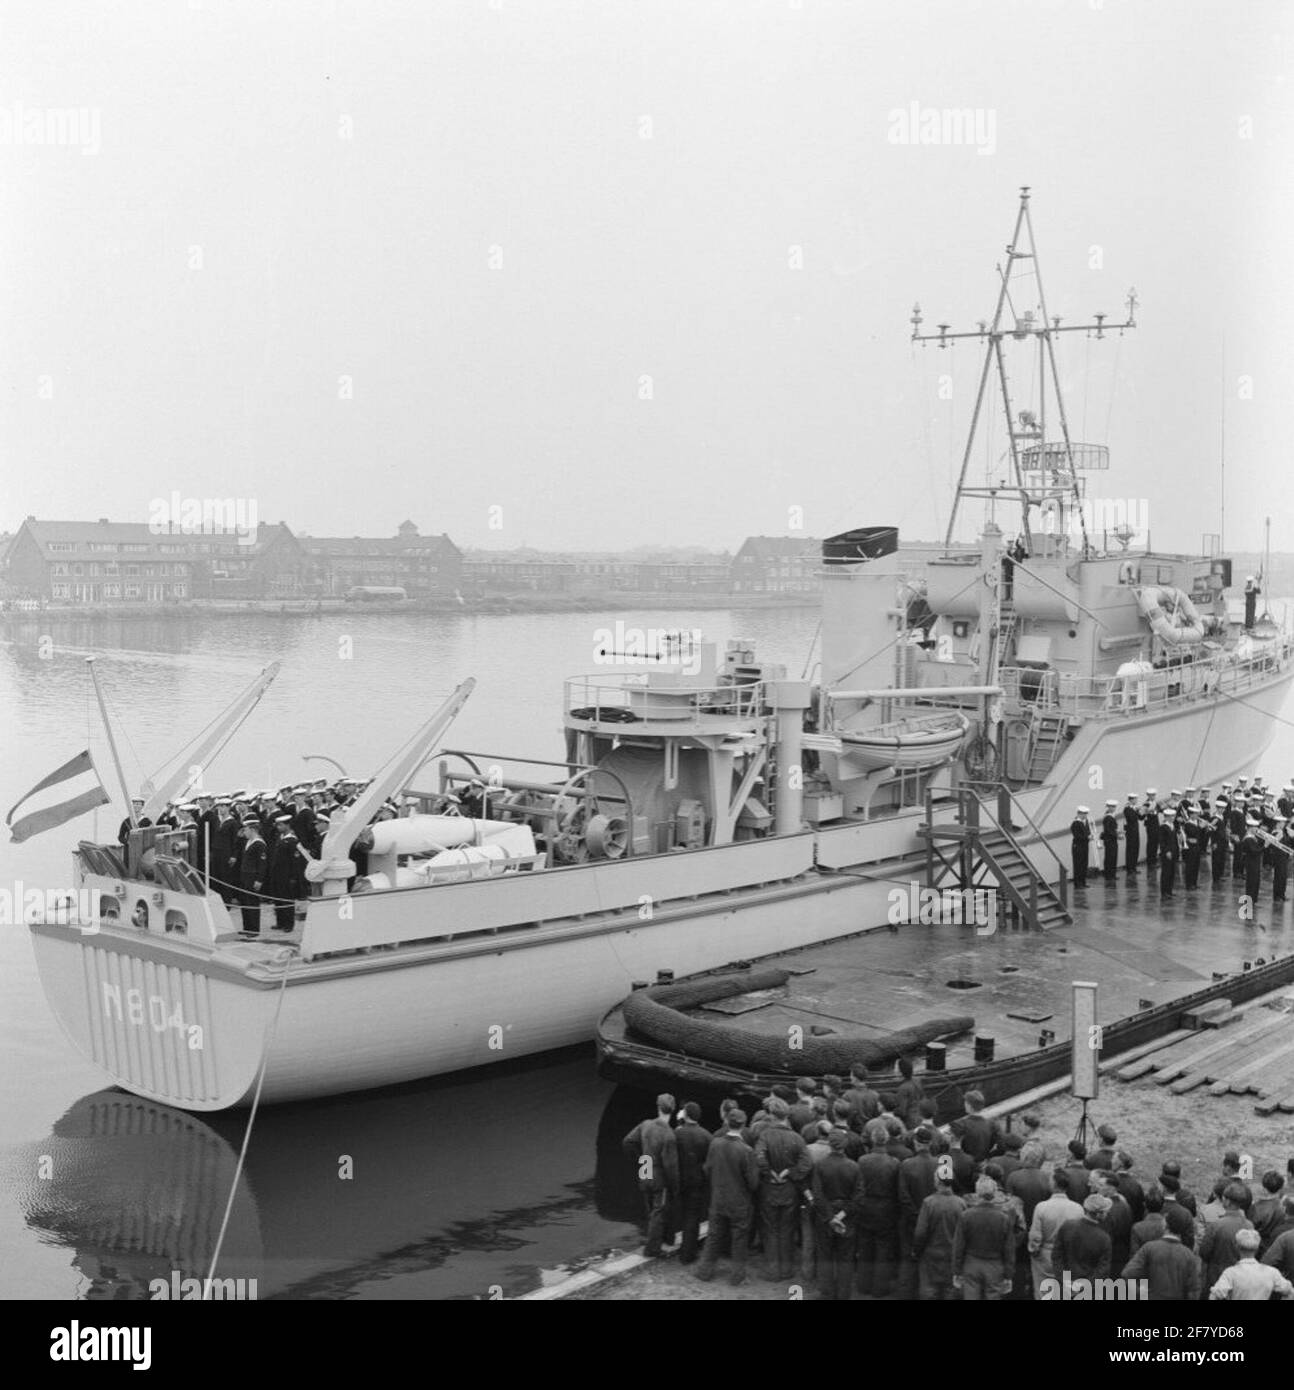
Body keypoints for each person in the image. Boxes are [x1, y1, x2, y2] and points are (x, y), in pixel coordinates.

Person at [696, 1109, 759, 1286]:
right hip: (739, 1202)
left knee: (714, 1235)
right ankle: (737, 1276)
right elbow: (753, 1183)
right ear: (744, 1125)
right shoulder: (746, 1150)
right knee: (739, 1239)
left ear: (727, 1123)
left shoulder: (715, 1143)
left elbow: (707, 1169)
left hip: (718, 1198)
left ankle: (704, 1271)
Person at [753, 1097, 811, 1281]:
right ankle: (786, 1270)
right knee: (787, 1230)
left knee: (770, 1230)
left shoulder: (765, 1135)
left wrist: (769, 1172)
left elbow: (759, 1157)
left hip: (769, 1189)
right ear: (787, 1115)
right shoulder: (797, 1137)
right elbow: (806, 1163)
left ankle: (772, 1270)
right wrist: (790, 1172)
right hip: (790, 1191)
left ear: (771, 1114)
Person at [622, 1094, 679, 1258]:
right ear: (673, 1110)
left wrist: (640, 1158)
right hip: (658, 1175)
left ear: (658, 1107)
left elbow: (628, 1142)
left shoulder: (646, 1124)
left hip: (644, 1168)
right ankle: (652, 1248)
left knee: (649, 1206)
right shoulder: (669, 1135)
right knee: (658, 1212)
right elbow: (671, 1166)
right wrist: (674, 1187)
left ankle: (651, 1237)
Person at [810, 1128, 862, 1300]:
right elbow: (859, 1196)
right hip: (847, 1218)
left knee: (824, 1255)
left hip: (825, 1218)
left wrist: (830, 1217)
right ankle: (843, 1294)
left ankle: (826, 1292)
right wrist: (841, 1216)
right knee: (845, 1258)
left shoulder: (820, 1166)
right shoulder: (854, 1167)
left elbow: (817, 1195)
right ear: (845, 1145)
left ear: (830, 1145)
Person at [855, 1118, 901, 1297]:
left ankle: (863, 1285)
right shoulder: (894, 1162)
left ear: (873, 1140)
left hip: (866, 1207)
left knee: (865, 1247)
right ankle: (880, 1288)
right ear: (886, 1140)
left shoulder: (862, 1160)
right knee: (883, 1250)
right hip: (886, 1209)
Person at [953, 1177, 1015, 1300]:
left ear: (977, 1193)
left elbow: (958, 1246)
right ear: (994, 1193)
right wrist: (1008, 1275)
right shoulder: (1003, 1218)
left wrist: (956, 1270)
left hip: (971, 1263)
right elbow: (1009, 1249)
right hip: (995, 1265)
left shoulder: (966, 1216)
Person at [897, 1126, 939, 1298]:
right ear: (930, 1143)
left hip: (911, 1221)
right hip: (934, 1221)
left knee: (909, 1259)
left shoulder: (906, 1165)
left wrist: (916, 1215)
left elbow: (903, 1195)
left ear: (915, 1142)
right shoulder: (940, 1164)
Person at [1028, 1168, 1084, 1296]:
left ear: (1053, 1184)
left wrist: (1034, 1251)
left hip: (1046, 1254)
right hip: (1068, 1255)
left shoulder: (1042, 1207)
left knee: (1044, 1291)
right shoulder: (1078, 1209)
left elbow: (1035, 1236)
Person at [913, 1165, 964, 1300]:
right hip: (952, 1256)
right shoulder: (961, 1204)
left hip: (931, 1255)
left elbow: (920, 1232)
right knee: (950, 1292)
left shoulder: (928, 1203)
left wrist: (917, 1251)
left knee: (929, 1291)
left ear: (937, 1181)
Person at [1120, 1223, 1204, 1301]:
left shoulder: (1149, 1247)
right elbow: (1194, 1289)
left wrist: (1139, 1292)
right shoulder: (1188, 1254)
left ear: (1165, 1227)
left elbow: (1127, 1273)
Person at [1199, 1182, 1255, 1294]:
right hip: (1240, 1279)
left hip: (1217, 1278)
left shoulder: (1216, 1225)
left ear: (1227, 1201)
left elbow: (1204, 1252)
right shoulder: (1249, 1225)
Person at [674, 1102, 711, 1265]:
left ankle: (673, 1242)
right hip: (698, 1181)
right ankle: (688, 1252)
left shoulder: (677, 1134)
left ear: (685, 1115)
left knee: (680, 1213)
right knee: (693, 1217)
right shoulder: (707, 1136)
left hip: (680, 1180)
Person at [1210, 1228, 1293, 1299]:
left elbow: (1215, 1295)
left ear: (1237, 1247)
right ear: (1257, 1249)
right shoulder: (1272, 1272)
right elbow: (1289, 1291)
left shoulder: (1231, 1273)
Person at [1052, 1194, 1113, 1281]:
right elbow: (1102, 1270)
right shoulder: (1104, 1238)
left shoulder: (1067, 1226)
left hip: (1065, 1284)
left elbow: (1057, 1256)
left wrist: (1065, 1280)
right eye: (1106, 1211)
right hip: (1089, 1289)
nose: (1107, 1214)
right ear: (1099, 1214)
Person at [265, 825, 308, 931]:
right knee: (278, 900)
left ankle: (289, 924)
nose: (278, 827)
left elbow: (296, 861)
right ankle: (280, 922)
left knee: (287, 900)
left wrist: (293, 877)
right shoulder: (280, 839)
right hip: (277, 875)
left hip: (287, 876)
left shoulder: (293, 841)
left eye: (280, 825)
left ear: (287, 826)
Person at [237, 820, 268, 935]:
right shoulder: (248, 842)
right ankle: (247, 927)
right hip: (244, 875)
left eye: (246, 829)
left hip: (253, 876)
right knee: (244, 901)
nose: (244, 832)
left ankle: (254, 929)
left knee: (252, 902)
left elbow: (262, 864)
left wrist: (259, 880)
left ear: (253, 830)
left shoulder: (259, 844)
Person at [1241, 817, 1265, 914]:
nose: (1257, 829)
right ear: (1250, 828)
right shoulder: (1248, 839)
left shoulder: (1253, 838)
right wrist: (1265, 846)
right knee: (1251, 882)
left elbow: (1258, 846)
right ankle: (1249, 901)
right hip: (1251, 863)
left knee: (1256, 881)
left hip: (1255, 863)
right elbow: (1255, 851)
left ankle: (1254, 900)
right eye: (1255, 828)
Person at [1158, 811, 1179, 897]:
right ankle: (1164, 892)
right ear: (1166, 817)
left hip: (1173, 851)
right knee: (1166, 872)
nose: (1172, 818)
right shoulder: (1163, 827)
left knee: (1172, 872)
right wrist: (1167, 851)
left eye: (1173, 816)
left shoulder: (1172, 826)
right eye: (1170, 816)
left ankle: (1169, 890)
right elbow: (1162, 841)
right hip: (1167, 853)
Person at [1070, 806, 1092, 888]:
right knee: (1078, 864)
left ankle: (1083, 881)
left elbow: (1087, 832)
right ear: (1079, 814)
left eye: (1086, 814)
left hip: (1084, 846)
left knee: (1084, 864)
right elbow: (1077, 836)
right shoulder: (1076, 823)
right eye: (1084, 814)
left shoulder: (1085, 822)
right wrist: (1087, 837)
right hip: (1078, 846)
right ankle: (1078, 883)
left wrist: (1090, 836)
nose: (1086, 815)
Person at [1100, 800, 1120, 881]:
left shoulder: (1111, 816)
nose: (1114, 808)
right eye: (1112, 807)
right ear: (1109, 807)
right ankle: (1109, 875)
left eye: (1114, 807)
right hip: (1109, 840)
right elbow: (1108, 830)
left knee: (1113, 857)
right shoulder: (1108, 817)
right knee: (1110, 857)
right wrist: (1117, 835)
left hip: (1112, 840)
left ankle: (1112, 874)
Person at [1122, 793, 1141, 874]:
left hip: (1135, 831)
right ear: (1131, 800)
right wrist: (1136, 810)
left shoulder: (1134, 808)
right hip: (1130, 832)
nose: (1136, 801)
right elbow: (1132, 818)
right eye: (1135, 799)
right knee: (1131, 850)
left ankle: (1134, 866)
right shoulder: (1127, 809)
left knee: (1136, 848)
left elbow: (1140, 818)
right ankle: (1130, 868)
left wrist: (1143, 811)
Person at [1143, 791, 1160, 873]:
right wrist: (1149, 811)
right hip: (1150, 826)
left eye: (1154, 795)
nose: (1153, 796)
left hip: (1156, 825)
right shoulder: (1146, 804)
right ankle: (1150, 862)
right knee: (1151, 843)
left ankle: (1154, 860)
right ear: (1148, 795)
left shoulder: (1156, 803)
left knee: (1156, 843)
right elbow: (1142, 815)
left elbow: (1160, 810)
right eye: (1151, 795)